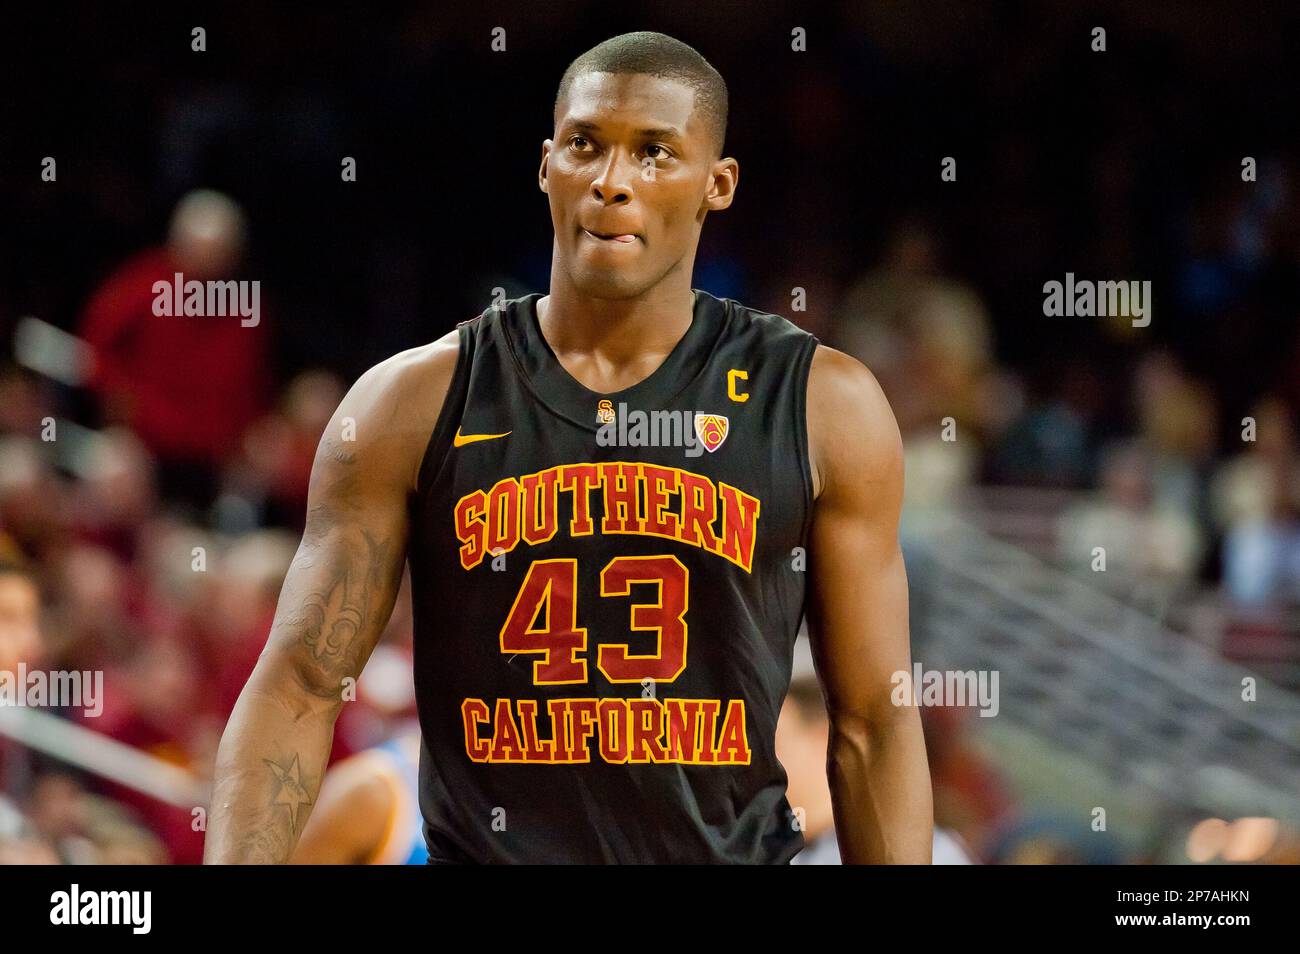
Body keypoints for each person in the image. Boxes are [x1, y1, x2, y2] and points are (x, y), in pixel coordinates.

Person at [206, 31, 931, 864]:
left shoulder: (820, 404)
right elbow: (298, 686)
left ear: (717, 184)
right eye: (587, 145)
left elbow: (874, 719)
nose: (612, 182)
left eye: (656, 153)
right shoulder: (411, 401)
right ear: (548, 164)